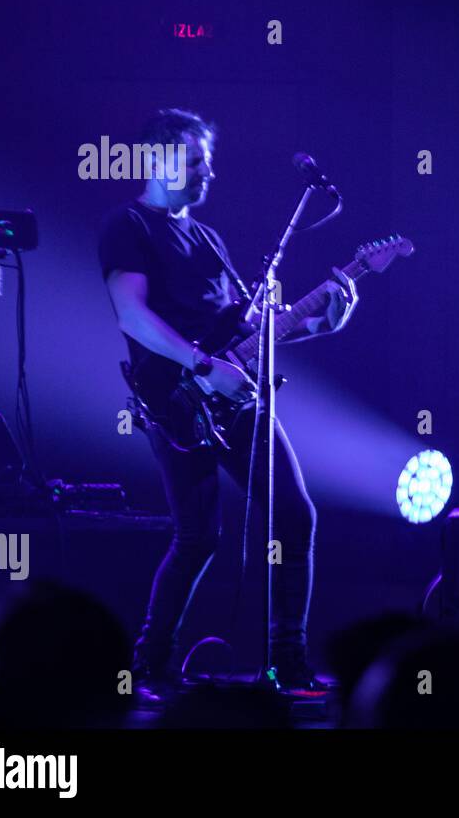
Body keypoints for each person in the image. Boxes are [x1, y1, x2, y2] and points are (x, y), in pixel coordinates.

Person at [97, 108, 359, 694]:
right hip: (177, 400)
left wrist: (320, 324)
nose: (207, 171)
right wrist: (201, 366)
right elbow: (131, 315)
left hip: (234, 396)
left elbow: (254, 332)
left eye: (207, 160)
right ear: (157, 159)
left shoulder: (209, 239)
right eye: (195, 160)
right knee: (199, 535)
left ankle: (287, 661)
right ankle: (150, 662)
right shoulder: (130, 226)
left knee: (296, 515)